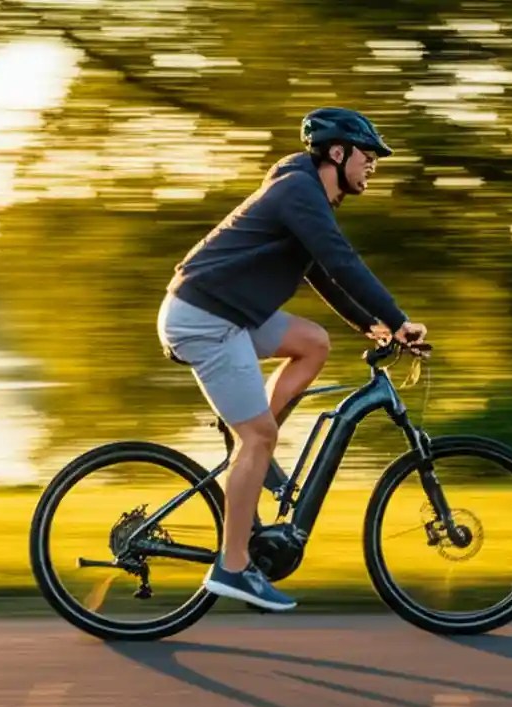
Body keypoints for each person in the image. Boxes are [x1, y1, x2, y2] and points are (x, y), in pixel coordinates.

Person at [156, 107, 428, 611]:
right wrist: (399, 315)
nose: (373, 167)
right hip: (203, 316)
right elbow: (342, 260)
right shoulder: (299, 191)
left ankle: (254, 452)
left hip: (226, 310)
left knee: (313, 342)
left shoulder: (307, 192)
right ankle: (233, 567)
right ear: (338, 152)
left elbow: (322, 273)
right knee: (258, 435)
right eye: (368, 157)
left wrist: (374, 324)